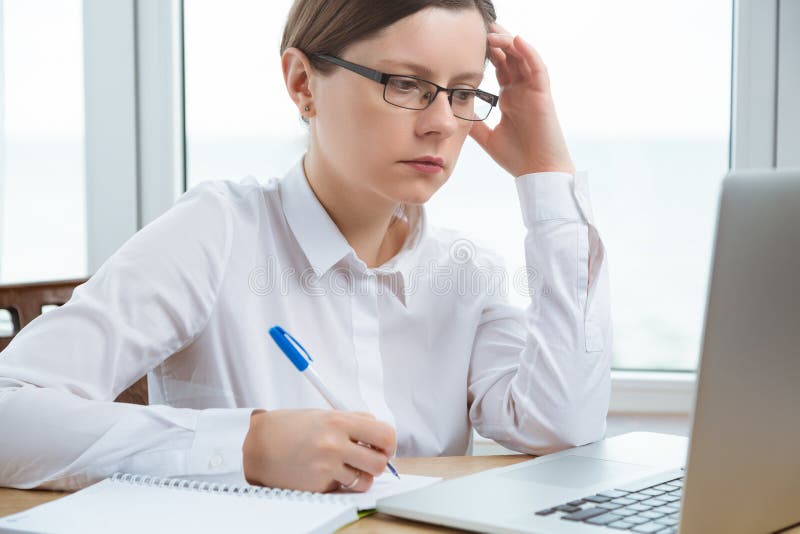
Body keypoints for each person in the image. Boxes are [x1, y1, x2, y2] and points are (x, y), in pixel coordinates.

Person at [0, 0, 611, 495]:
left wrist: (547, 175)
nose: (443, 124)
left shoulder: (465, 272)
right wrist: (247, 446)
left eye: (462, 92)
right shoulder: (217, 232)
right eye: (405, 83)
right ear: (302, 83)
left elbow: (563, 424)